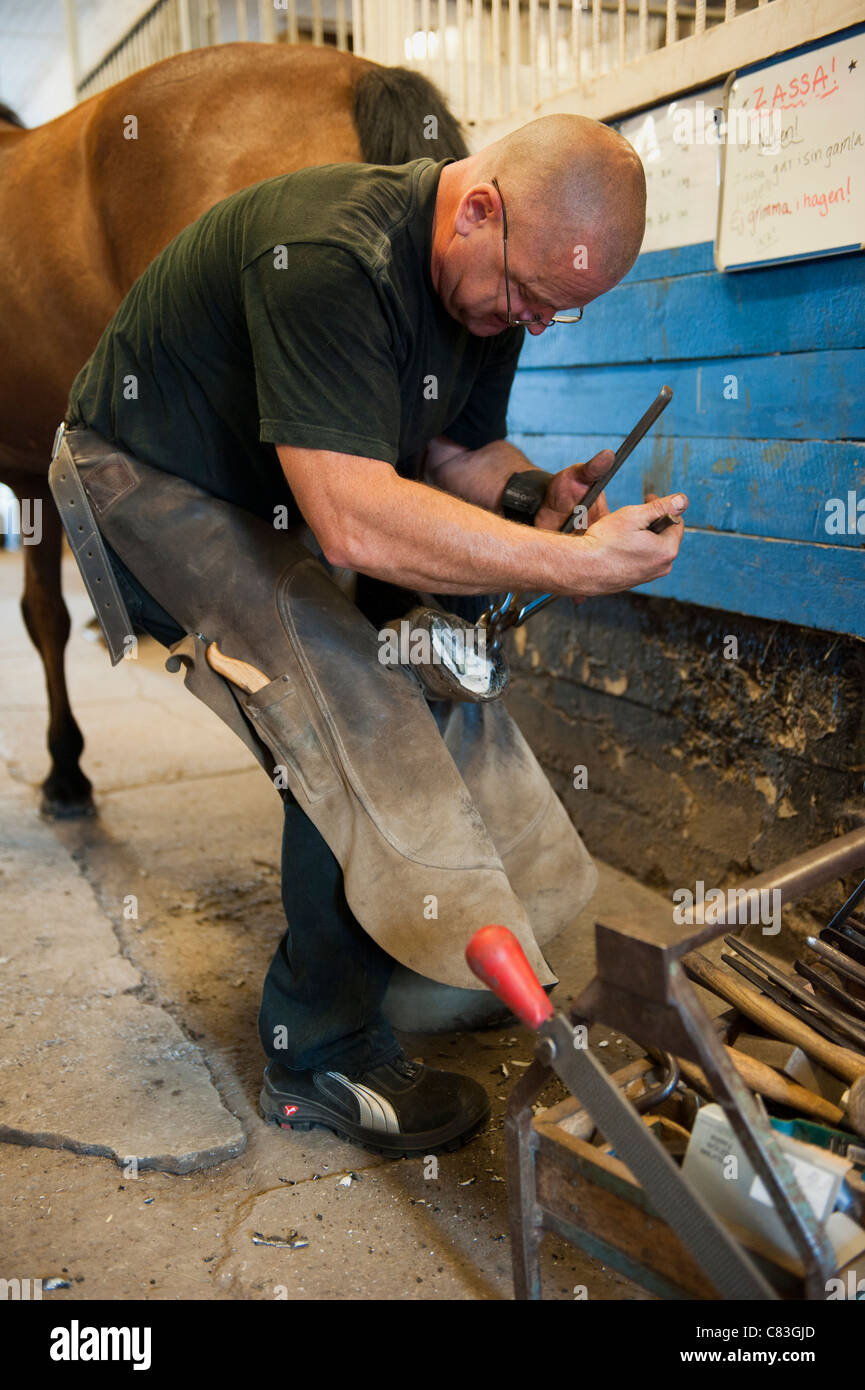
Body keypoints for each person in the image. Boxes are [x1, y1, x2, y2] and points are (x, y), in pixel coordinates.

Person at [57, 113, 688, 1158]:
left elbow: (450, 454)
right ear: (477, 208)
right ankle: (318, 1053)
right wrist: (579, 566)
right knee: (343, 697)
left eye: (556, 315)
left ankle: (443, 941)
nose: (531, 323)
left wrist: (537, 495)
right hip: (148, 479)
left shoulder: (483, 291)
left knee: (427, 663)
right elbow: (352, 516)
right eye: (528, 296)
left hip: (276, 490)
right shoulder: (331, 256)